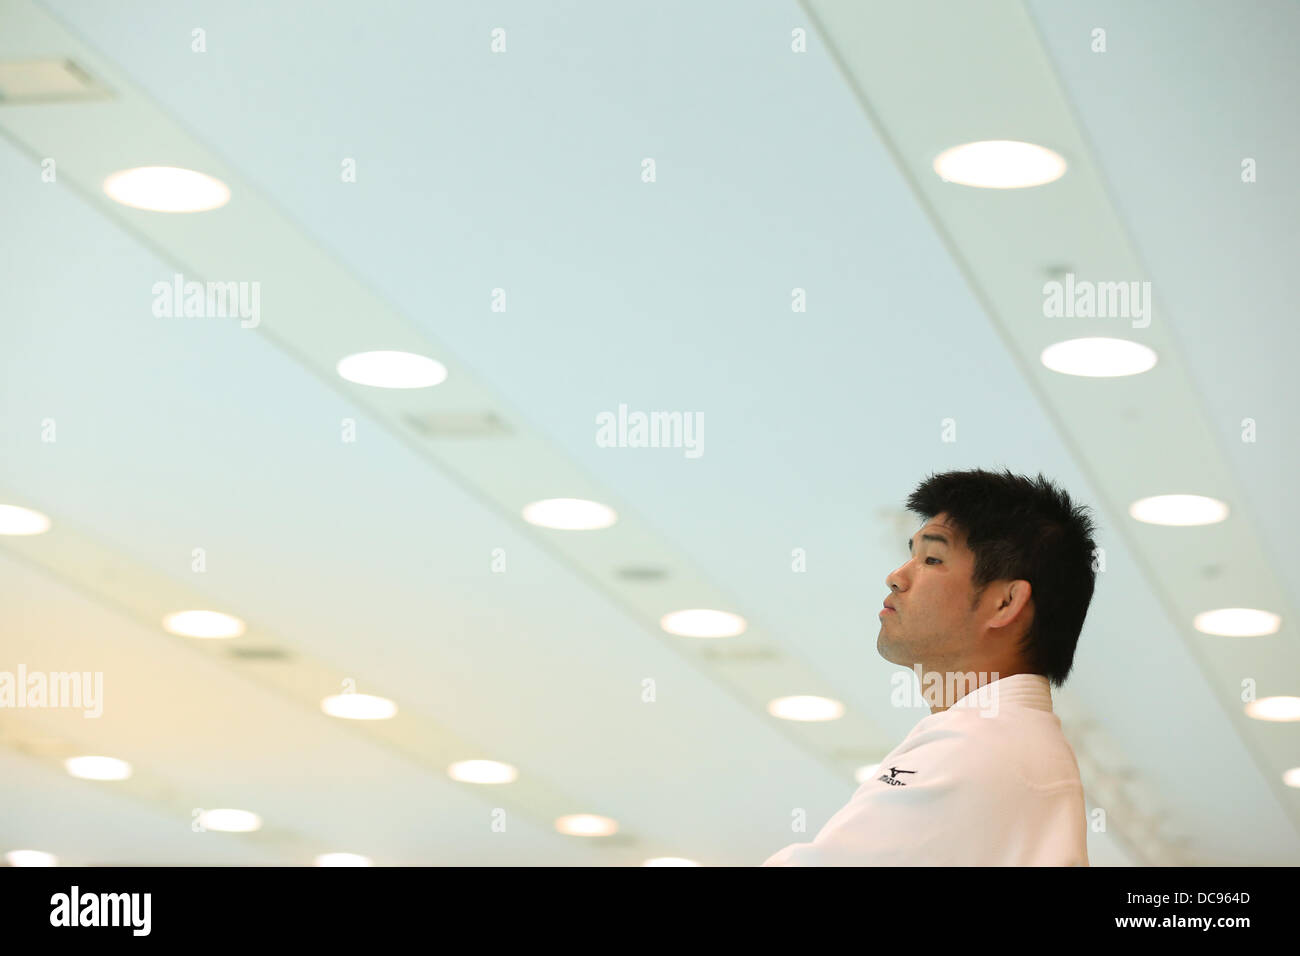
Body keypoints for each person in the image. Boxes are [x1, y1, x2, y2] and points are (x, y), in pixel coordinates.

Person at [763, 468, 1098, 866]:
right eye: (911, 555)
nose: (896, 577)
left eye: (932, 559)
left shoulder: (978, 747)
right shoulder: (1012, 744)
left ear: (1005, 603)